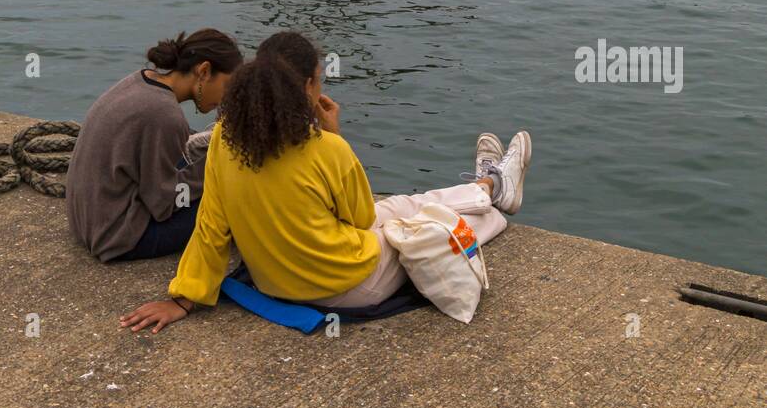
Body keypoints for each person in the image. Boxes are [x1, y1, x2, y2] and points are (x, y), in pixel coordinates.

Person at [120, 32, 530, 332]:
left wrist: (183, 298)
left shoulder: (226, 143)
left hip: (275, 282)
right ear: (306, 88)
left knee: (407, 202)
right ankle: (493, 199)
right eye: (319, 78)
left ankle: (488, 186)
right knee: (427, 224)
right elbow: (360, 218)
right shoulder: (326, 149)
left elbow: (211, 226)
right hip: (350, 285)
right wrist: (334, 136)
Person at [67, 28, 243, 263]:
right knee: (230, 197)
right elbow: (165, 204)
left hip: (86, 219)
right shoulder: (166, 116)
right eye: (227, 85)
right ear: (204, 71)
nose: (225, 97)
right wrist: (218, 166)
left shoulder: (141, 79)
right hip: (116, 236)